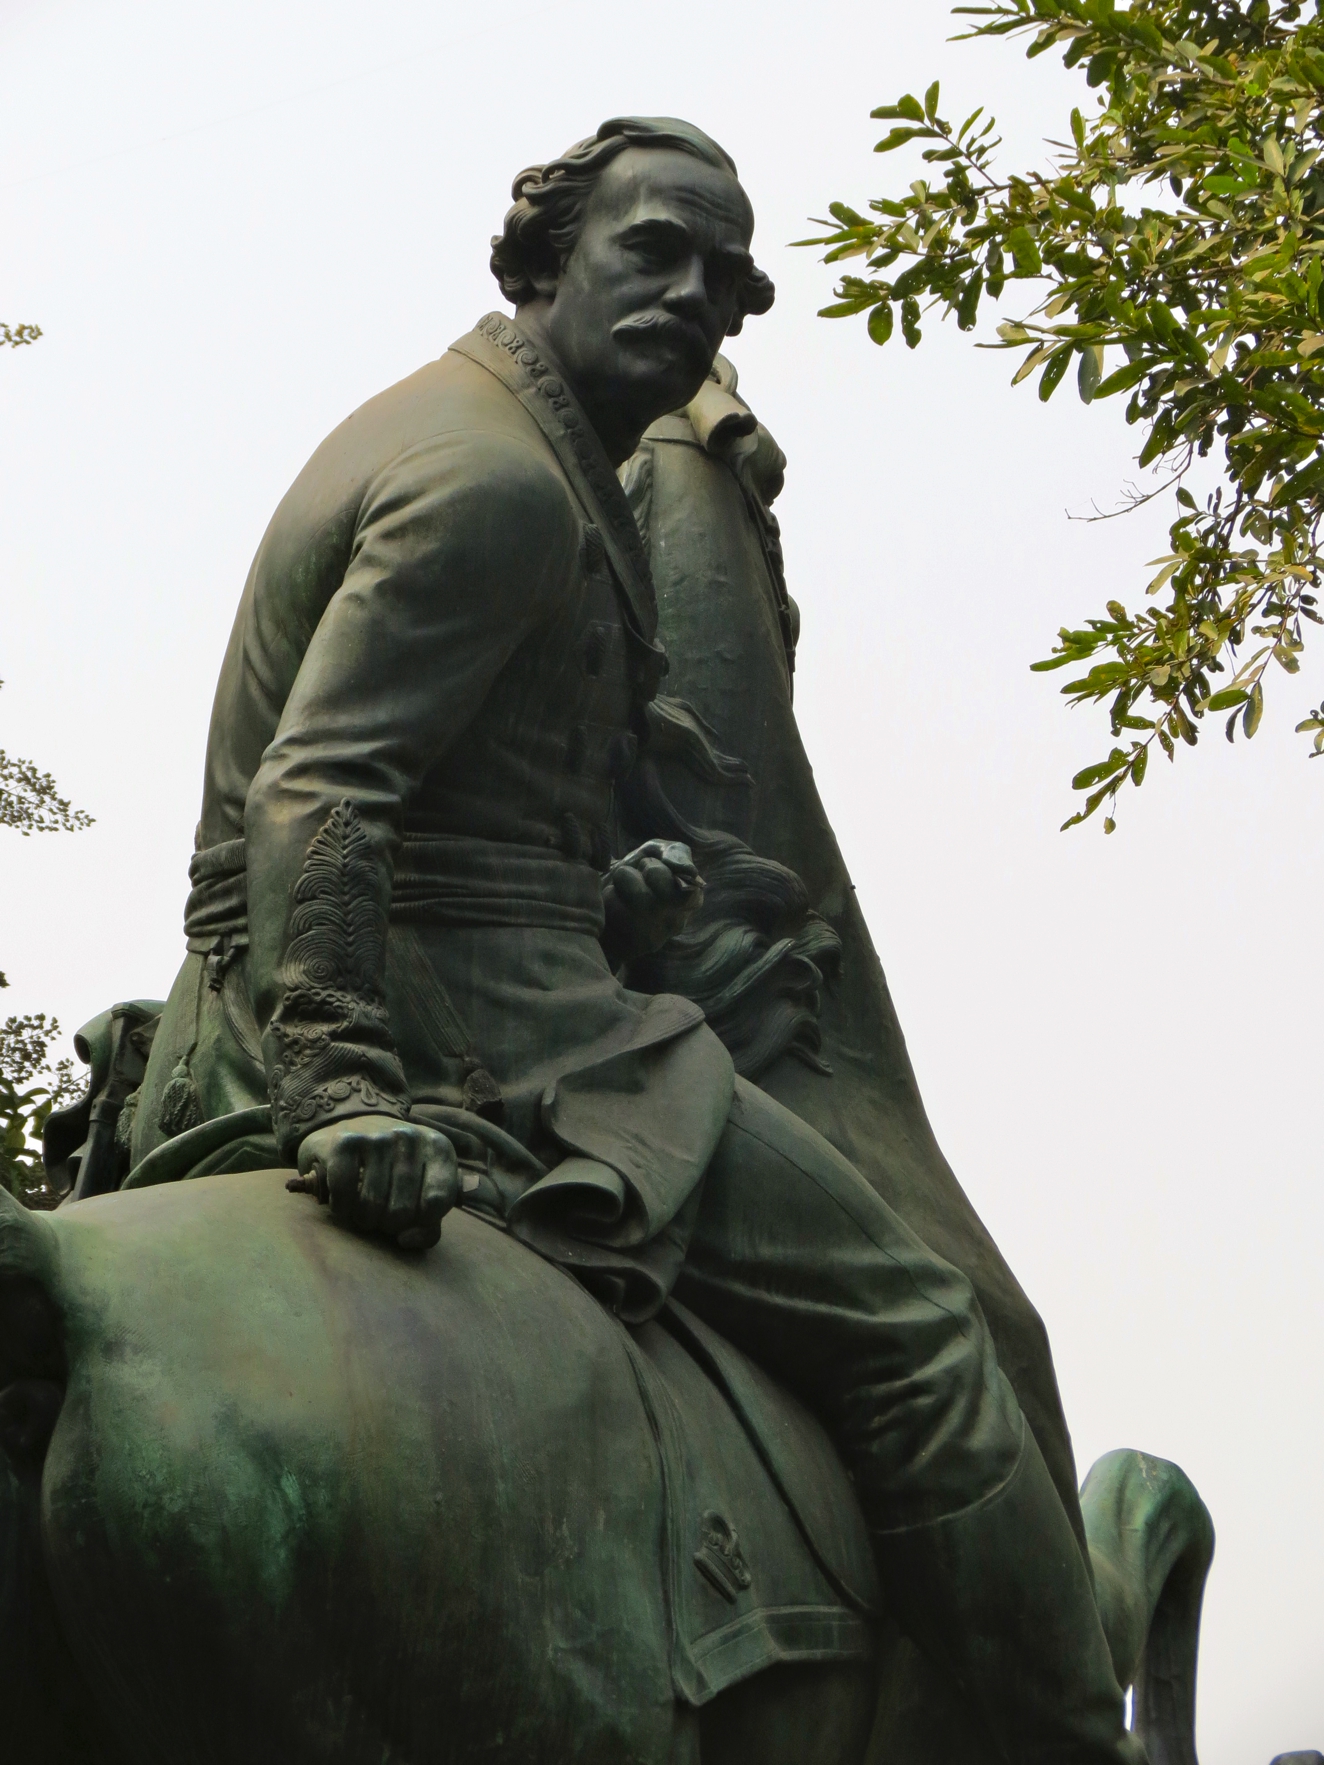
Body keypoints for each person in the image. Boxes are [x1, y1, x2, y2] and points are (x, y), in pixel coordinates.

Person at [128, 116, 1139, 1763]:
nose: (694, 297)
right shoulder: (498, 482)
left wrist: (620, 887)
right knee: (925, 1334)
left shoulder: (517, 446)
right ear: (547, 256)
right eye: (651, 249)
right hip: (485, 1017)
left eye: (724, 278)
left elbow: (462, 789)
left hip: (442, 961)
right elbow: (322, 786)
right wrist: (334, 1084)